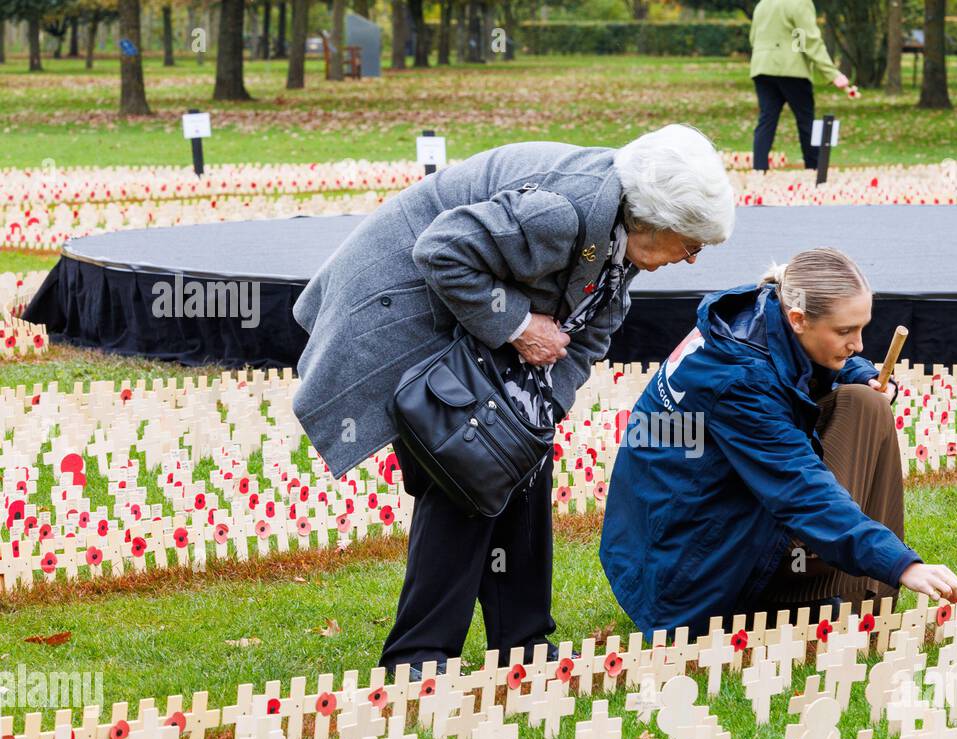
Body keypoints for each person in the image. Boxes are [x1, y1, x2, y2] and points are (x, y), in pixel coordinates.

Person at [290, 125, 736, 677]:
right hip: (401, 306)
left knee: (520, 457)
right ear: (654, 220)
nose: (692, 260)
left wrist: (539, 414)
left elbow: (588, 332)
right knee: (464, 473)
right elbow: (442, 251)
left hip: (466, 323)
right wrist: (519, 324)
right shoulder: (561, 213)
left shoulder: (622, 235)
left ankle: (523, 644)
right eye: (691, 244)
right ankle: (419, 660)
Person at [599, 247, 957, 641]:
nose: (858, 344)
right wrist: (901, 564)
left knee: (865, 402)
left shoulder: (766, 307)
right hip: (686, 574)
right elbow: (801, 490)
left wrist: (860, 372)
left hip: (686, 525)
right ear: (799, 319)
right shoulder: (742, 381)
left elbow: (802, 365)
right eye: (844, 332)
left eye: (861, 328)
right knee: (822, 474)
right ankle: (811, 592)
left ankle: (863, 600)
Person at [749, 0, 852, 171]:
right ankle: (814, 169)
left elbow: (754, 37)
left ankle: (759, 170)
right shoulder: (800, 3)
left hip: (762, 67)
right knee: (806, 121)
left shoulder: (763, 4)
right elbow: (810, 40)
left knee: (766, 120)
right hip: (791, 68)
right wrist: (832, 73)